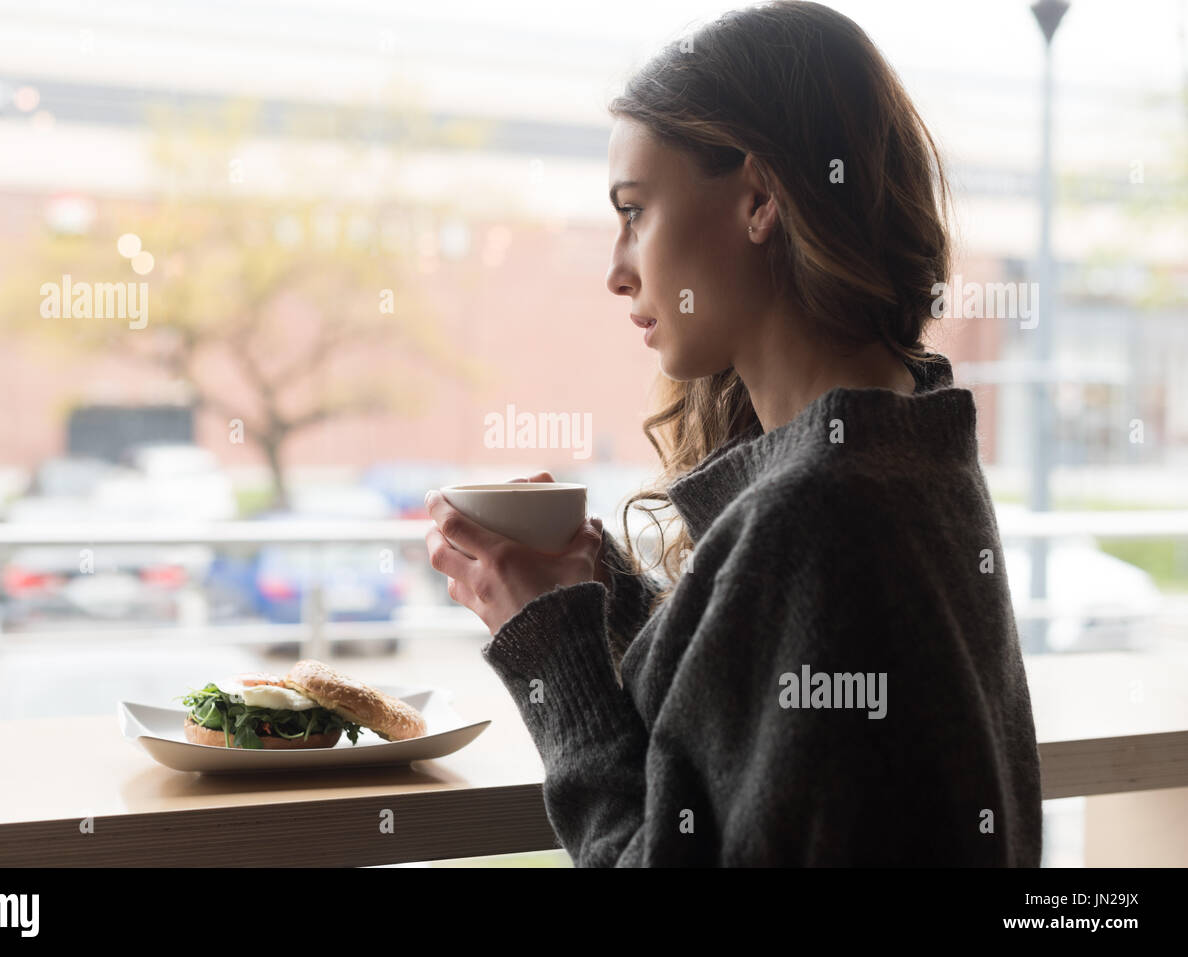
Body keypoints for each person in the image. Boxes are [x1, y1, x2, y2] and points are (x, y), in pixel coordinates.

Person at [423, 1, 1042, 866]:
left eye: (635, 210)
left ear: (759, 199)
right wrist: (610, 600)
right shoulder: (911, 445)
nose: (614, 269)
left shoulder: (815, 512)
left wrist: (552, 650)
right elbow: (771, 756)